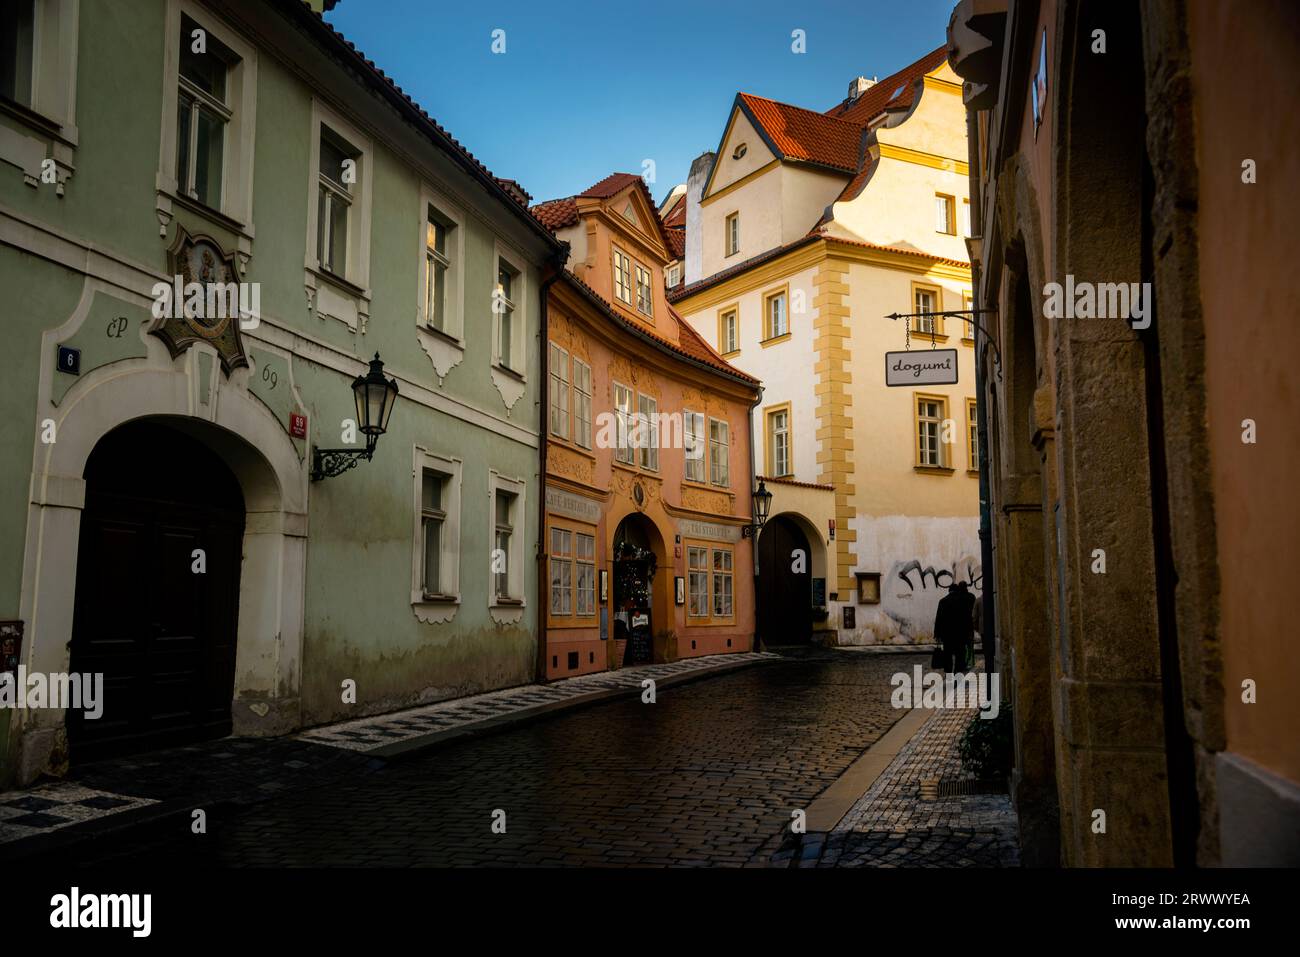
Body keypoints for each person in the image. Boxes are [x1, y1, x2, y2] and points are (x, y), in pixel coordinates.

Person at [933, 581, 976, 674]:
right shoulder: (962, 601)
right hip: (960, 634)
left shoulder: (943, 601)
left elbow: (938, 619)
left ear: (949, 591)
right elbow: (967, 618)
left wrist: (937, 634)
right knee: (960, 655)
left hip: (947, 635)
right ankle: (957, 673)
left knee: (947, 655)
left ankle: (948, 674)